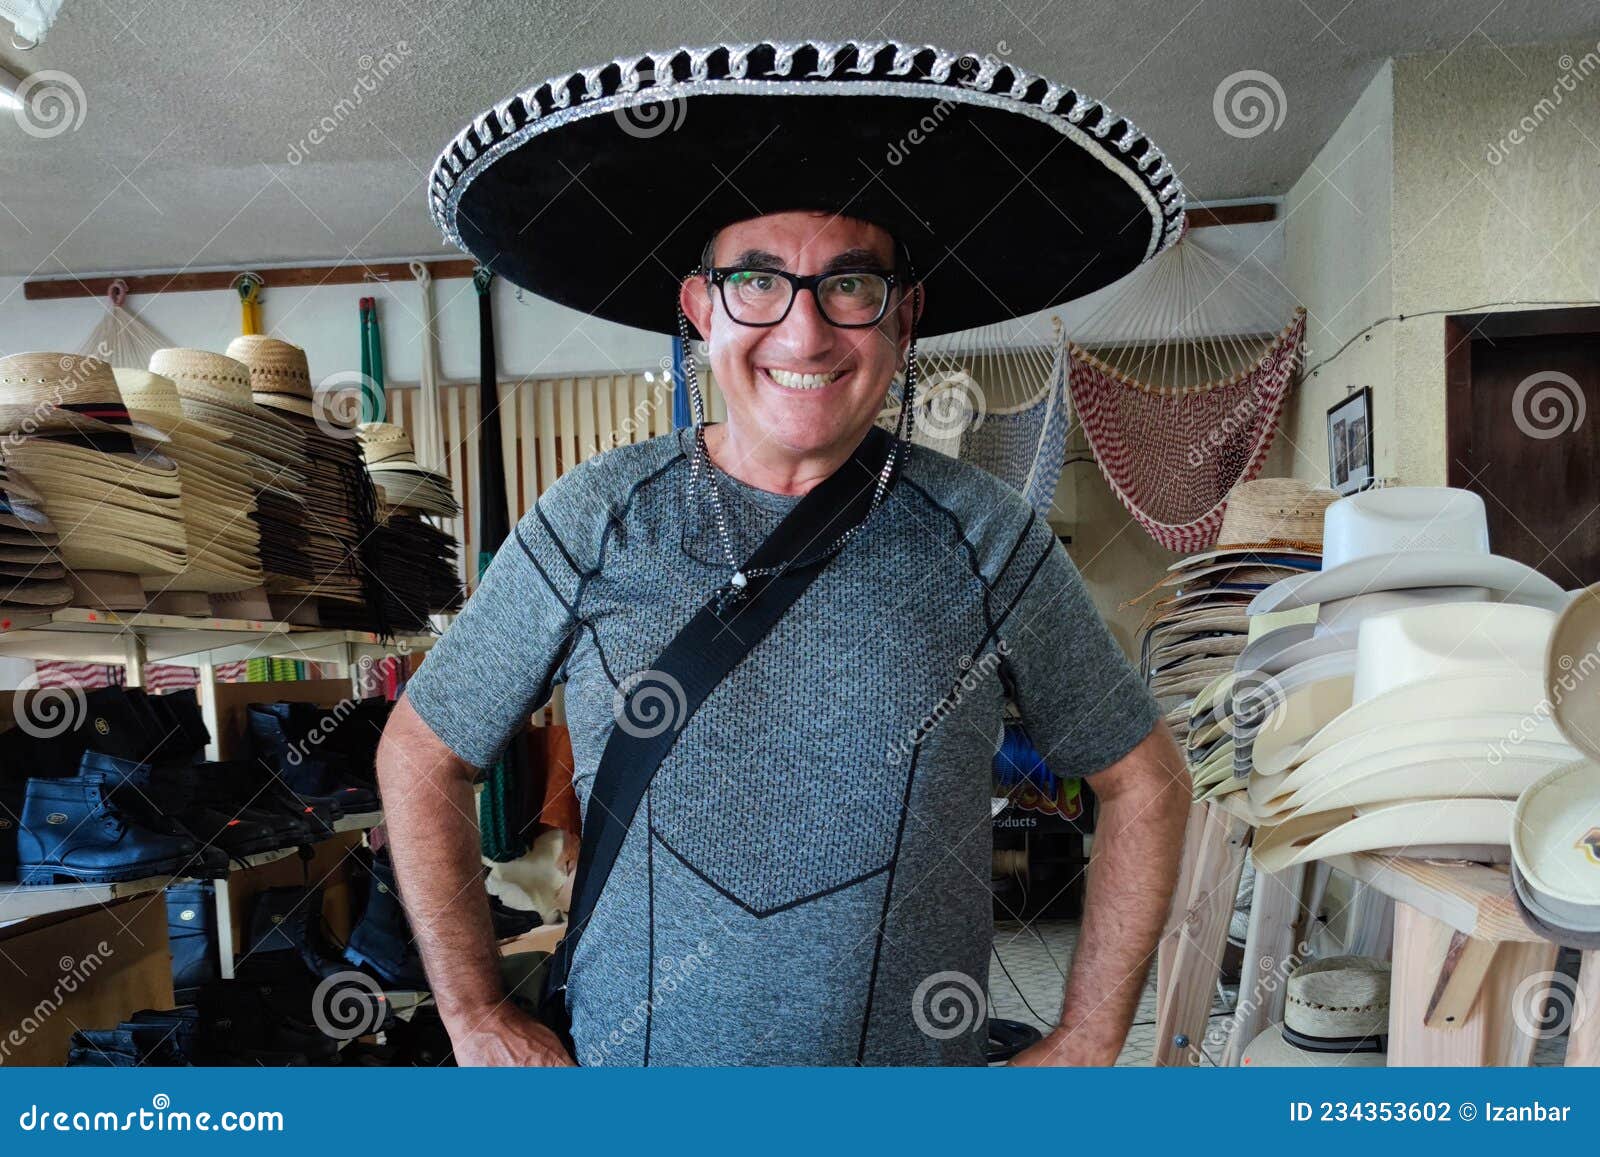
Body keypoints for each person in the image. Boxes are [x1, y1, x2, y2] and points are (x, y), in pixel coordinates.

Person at [378, 38, 1191, 1066]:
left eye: (849, 286)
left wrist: (1085, 1037)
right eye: (756, 281)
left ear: (905, 314)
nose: (803, 336)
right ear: (699, 307)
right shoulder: (598, 516)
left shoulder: (987, 536)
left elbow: (1146, 780)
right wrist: (476, 1012)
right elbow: (421, 750)